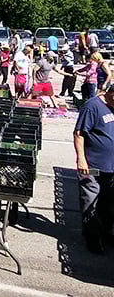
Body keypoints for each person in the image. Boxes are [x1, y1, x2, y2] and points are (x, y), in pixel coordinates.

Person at [73, 84, 114, 254]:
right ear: (111, 93)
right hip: (92, 165)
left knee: (108, 202)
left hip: (110, 167)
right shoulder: (92, 106)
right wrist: (81, 160)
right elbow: (79, 134)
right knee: (90, 200)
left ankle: (105, 233)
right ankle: (92, 237)